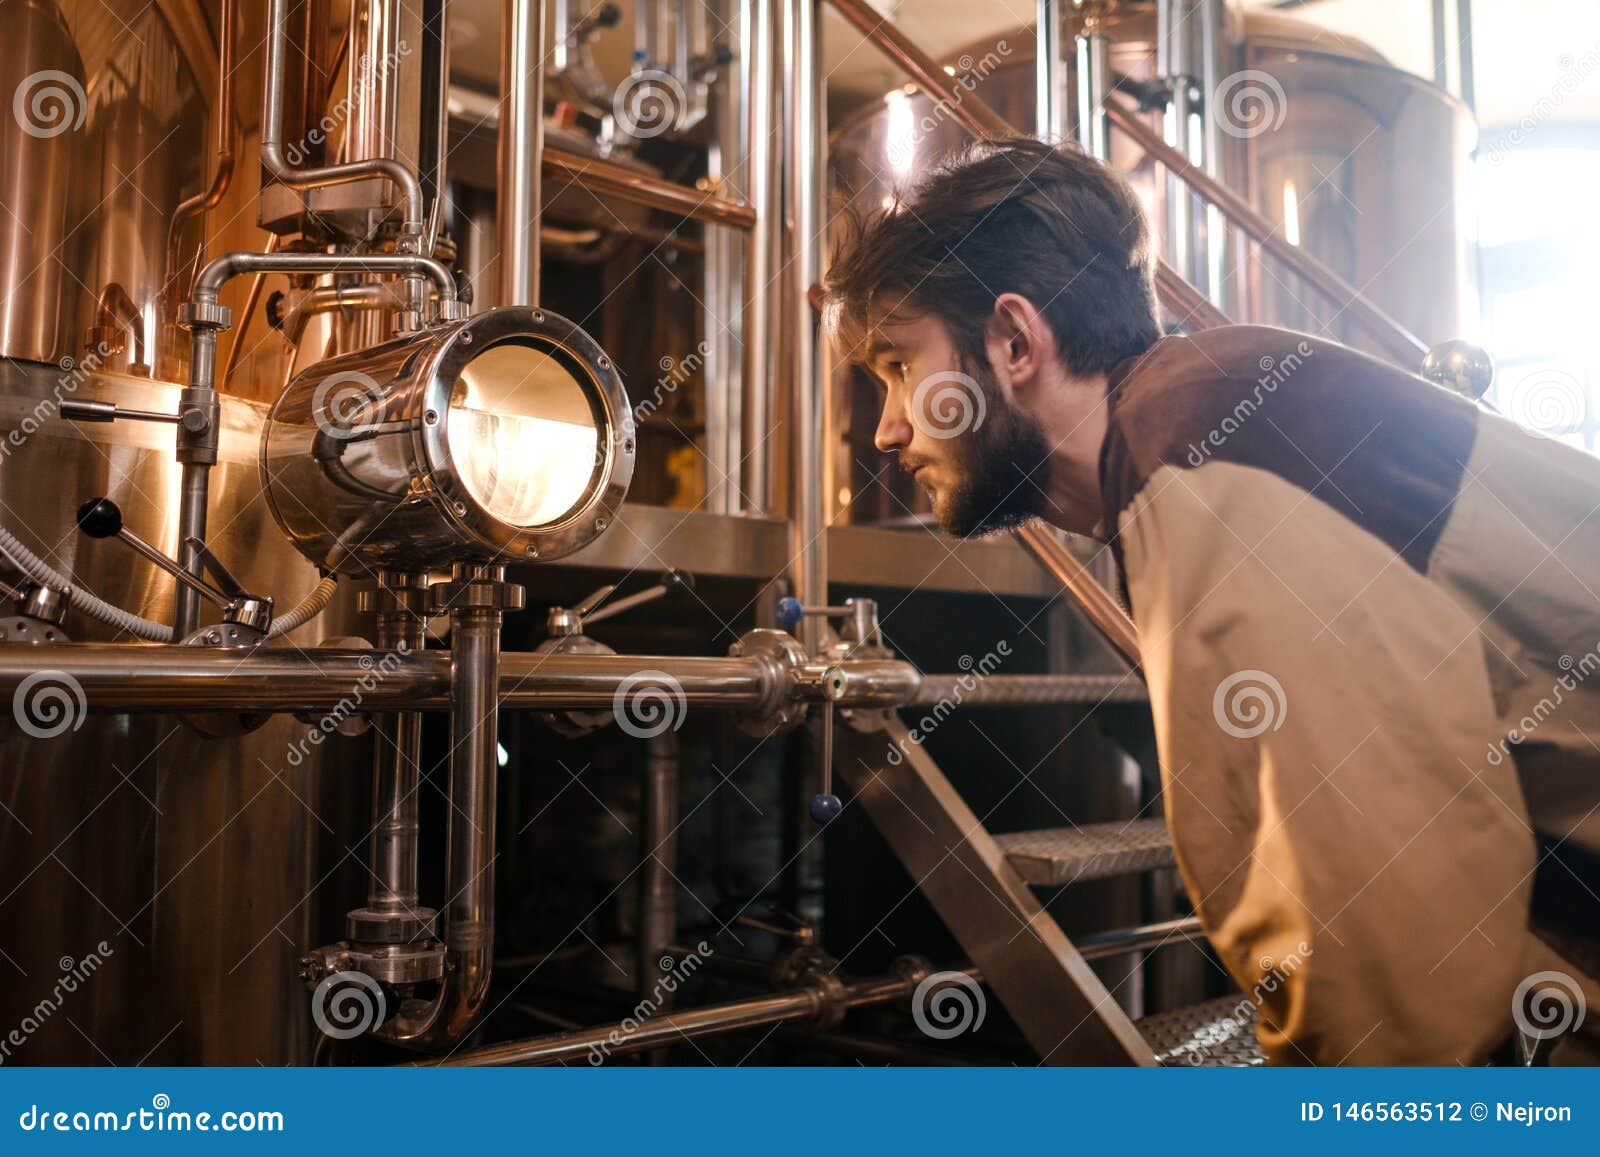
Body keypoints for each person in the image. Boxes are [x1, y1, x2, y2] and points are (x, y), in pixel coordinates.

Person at [823, 136, 1600, 1065]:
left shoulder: (1205, 466)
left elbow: (1392, 970)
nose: (886, 428)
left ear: (1016, 341)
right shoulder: (1191, 430)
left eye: (899, 367)